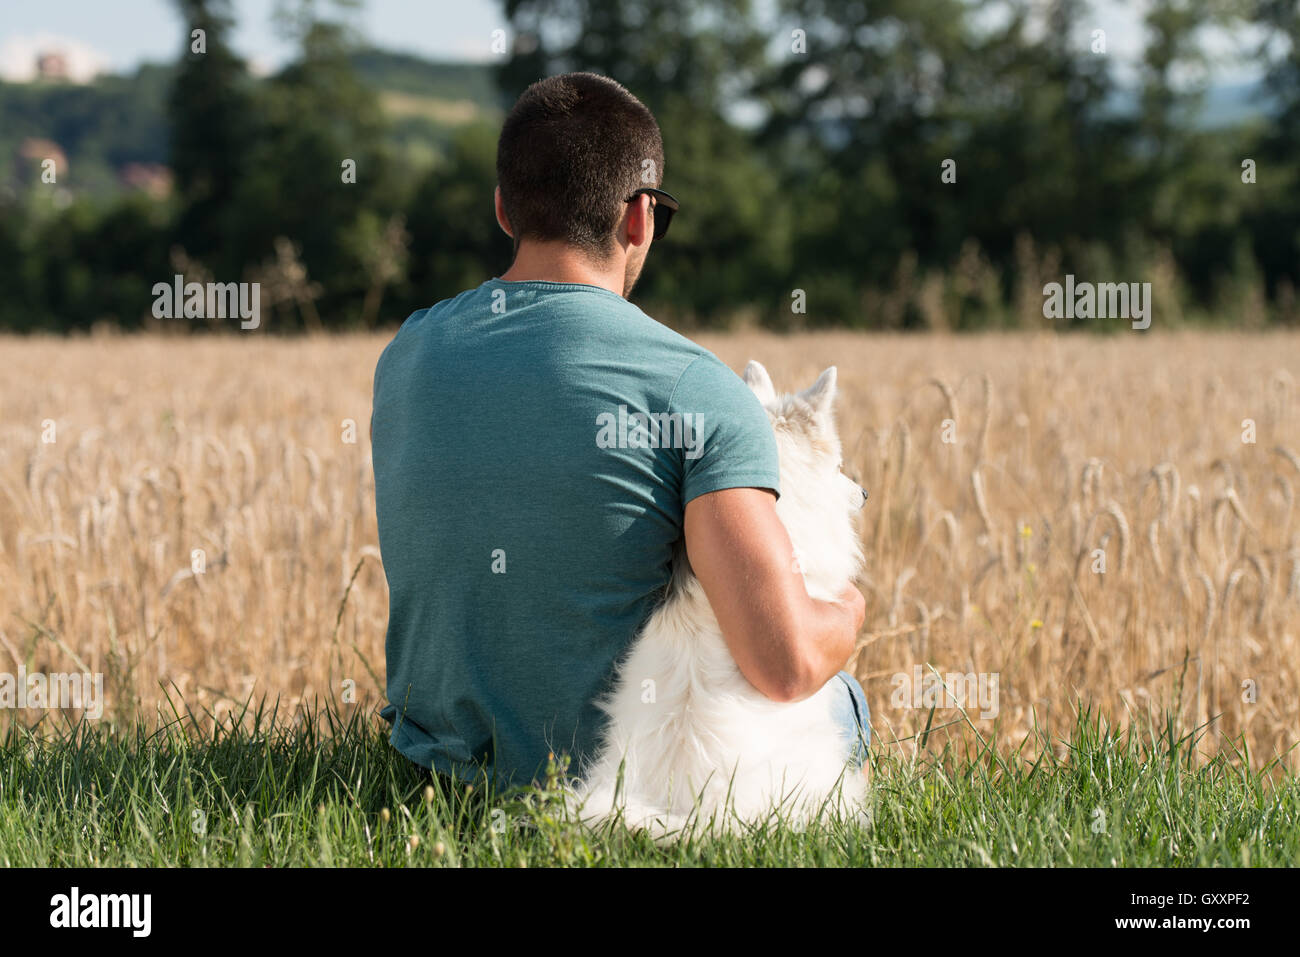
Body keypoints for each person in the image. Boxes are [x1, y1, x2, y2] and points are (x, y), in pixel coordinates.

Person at [370, 71, 868, 789]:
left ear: (506, 209)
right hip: (608, 785)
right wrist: (847, 609)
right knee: (843, 702)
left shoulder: (406, 353)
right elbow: (784, 662)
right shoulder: (699, 390)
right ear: (639, 218)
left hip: (430, 773)